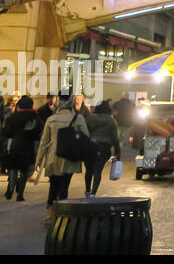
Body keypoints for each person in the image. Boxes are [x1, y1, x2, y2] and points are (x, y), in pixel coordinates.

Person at [36, 95, 90, 225]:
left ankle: (50, 215)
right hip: (70, 158)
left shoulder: (51, 119)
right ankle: (62, 216)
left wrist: (38, 160)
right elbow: (86, 138)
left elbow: (44, 142)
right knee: (64, 186)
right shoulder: (79, 118)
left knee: (53, 186)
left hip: (53, 158)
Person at [3, 96, 39, 201]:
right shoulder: (35, 117)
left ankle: (10, 190)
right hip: (28, 147)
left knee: (13, 169)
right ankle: (20, 195)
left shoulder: (13, 117)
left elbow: (7, 132)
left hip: (15, 145)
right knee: (24, 171)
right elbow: (38, 132)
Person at [83, 101, 120, 197]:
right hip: (103, 148)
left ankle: (87, 190)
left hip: (89, 146)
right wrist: (118, 150)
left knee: (89, 170)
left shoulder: (90, 118)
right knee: (97, 171)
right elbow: (115, 137)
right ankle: (93, 193)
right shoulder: (111, 120)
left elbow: (85, 131)